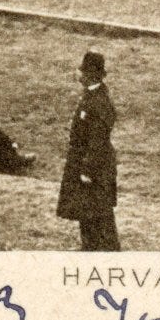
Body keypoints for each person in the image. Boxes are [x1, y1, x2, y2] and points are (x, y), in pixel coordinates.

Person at [57, 50, 119, 252]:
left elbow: (98, 140)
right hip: (83, 160)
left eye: (83, 71)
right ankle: (89, 245)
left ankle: (108, 247)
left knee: (100, 208)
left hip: (95, 164)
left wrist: (88, 169)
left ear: (93, 74)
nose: (79, 74)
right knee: (85, 206)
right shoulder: (91, 96)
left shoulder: (99, 102)